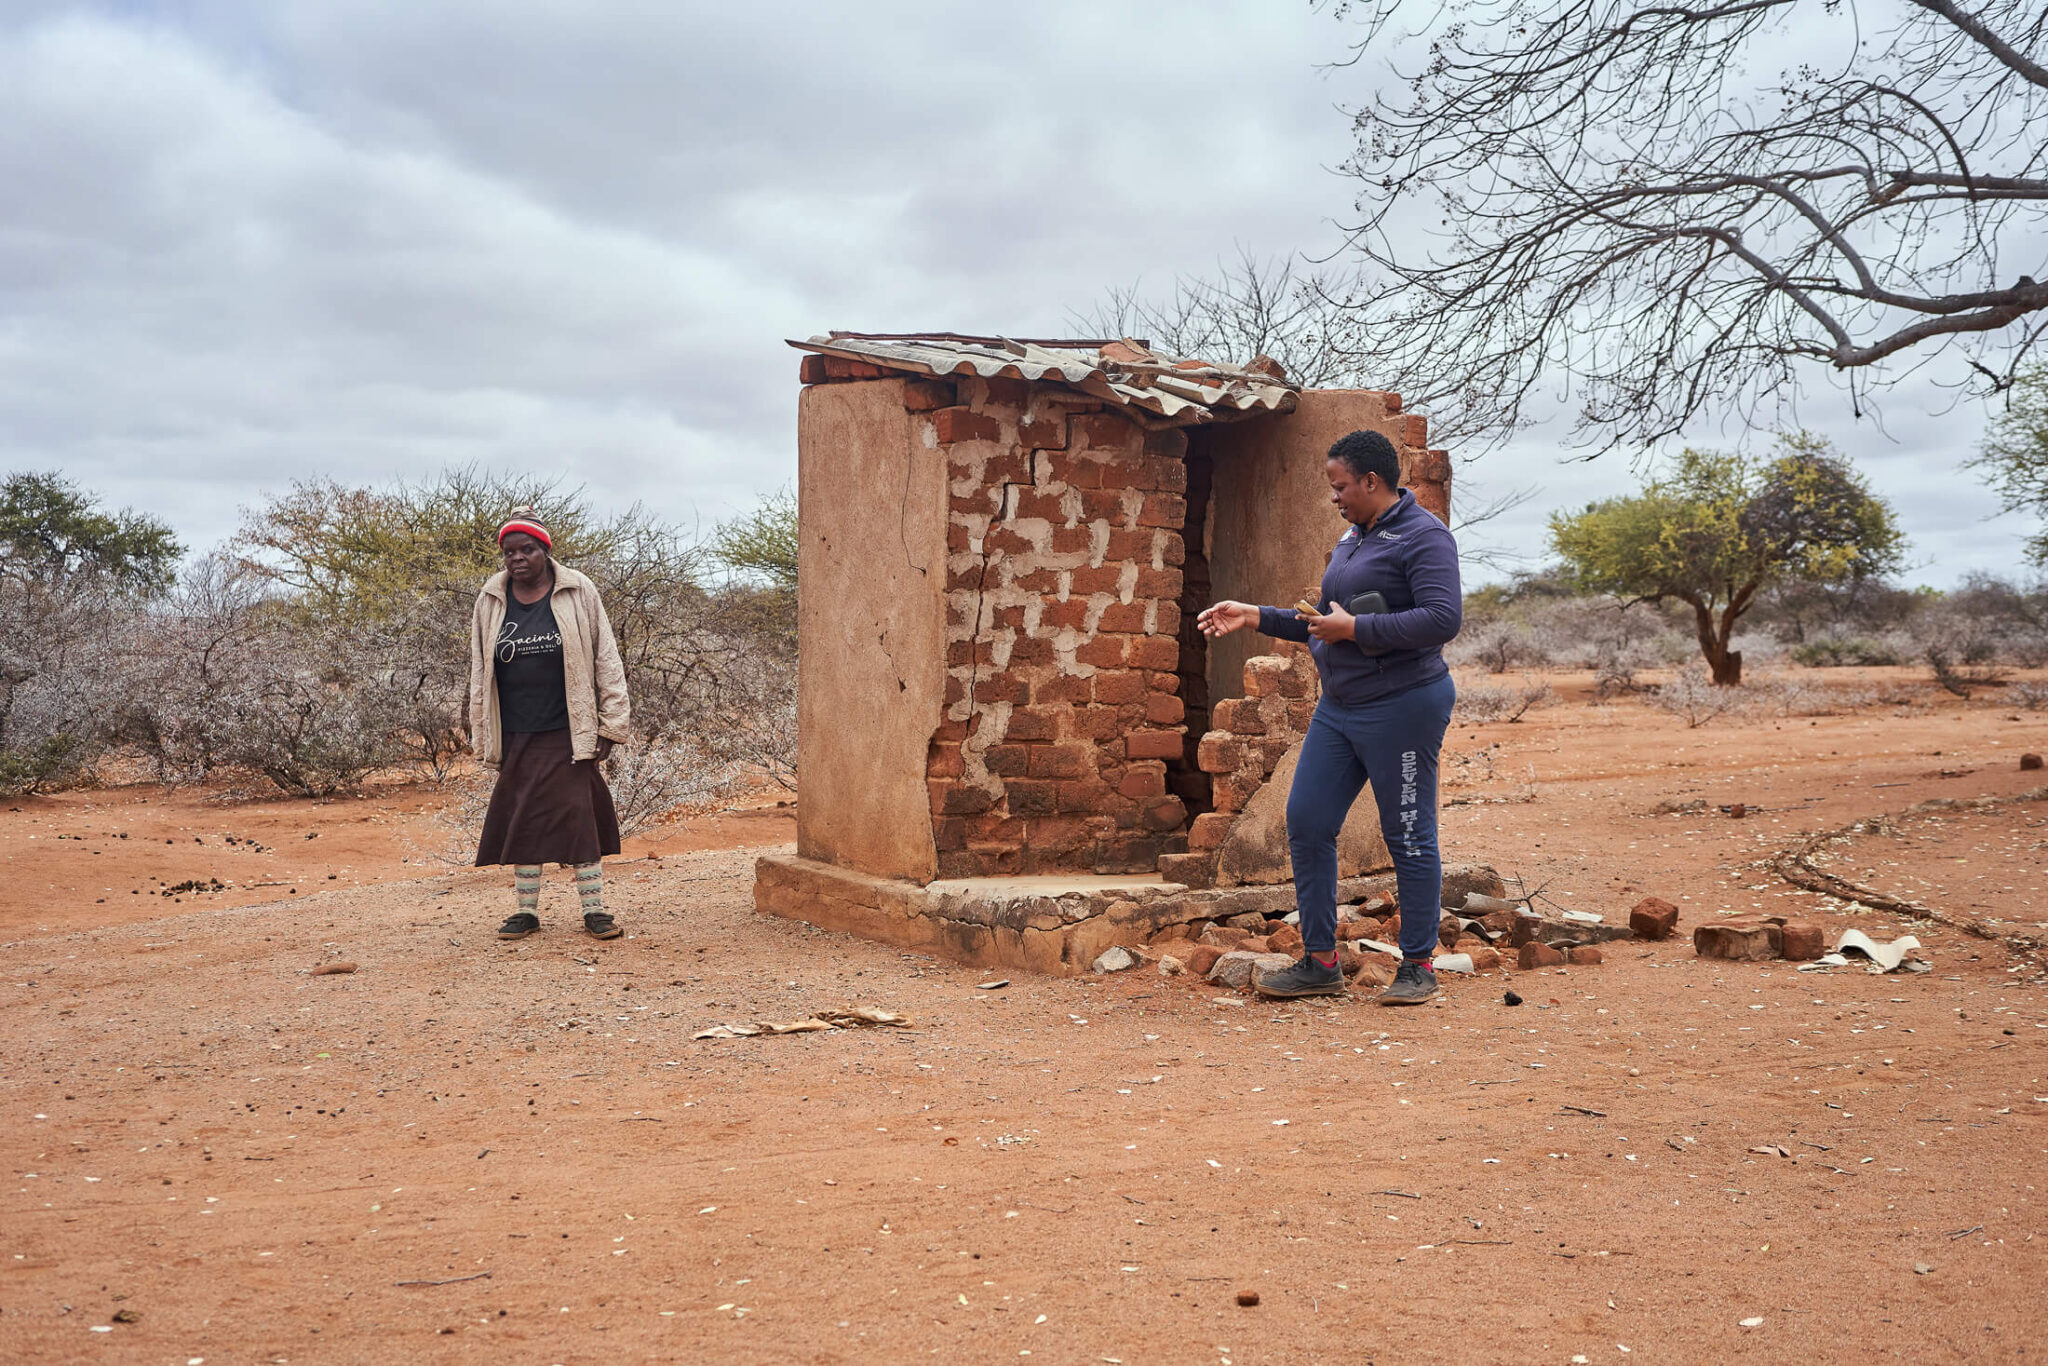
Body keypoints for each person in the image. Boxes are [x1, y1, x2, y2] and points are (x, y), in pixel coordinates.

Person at [1196, 429, 1461, 1005]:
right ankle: (1319, 961)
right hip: (1340, 709)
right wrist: (1253, 614)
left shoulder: (1424, 536)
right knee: (1309, 822)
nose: (1335, 497)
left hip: (1404, 707)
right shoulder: (1355, 536)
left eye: (1340, 486)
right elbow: (1324, 619)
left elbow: (1443, 619)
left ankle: (1418, 965)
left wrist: (1358, 630)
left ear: (1371, 481)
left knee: (1410, 836)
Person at [469, 508, 631, 941]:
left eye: (527, 549)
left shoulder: (578, 591)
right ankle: (526, 912)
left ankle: (595, 910)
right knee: (523, 819)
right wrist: (484, 734)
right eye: (509, 552)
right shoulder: (490, 600)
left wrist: (610, 724)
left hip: (569, 730)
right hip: (518, 731)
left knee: (579, 818)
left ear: (545, 551)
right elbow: (479, 670)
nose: (517, 558)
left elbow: (606, 658)